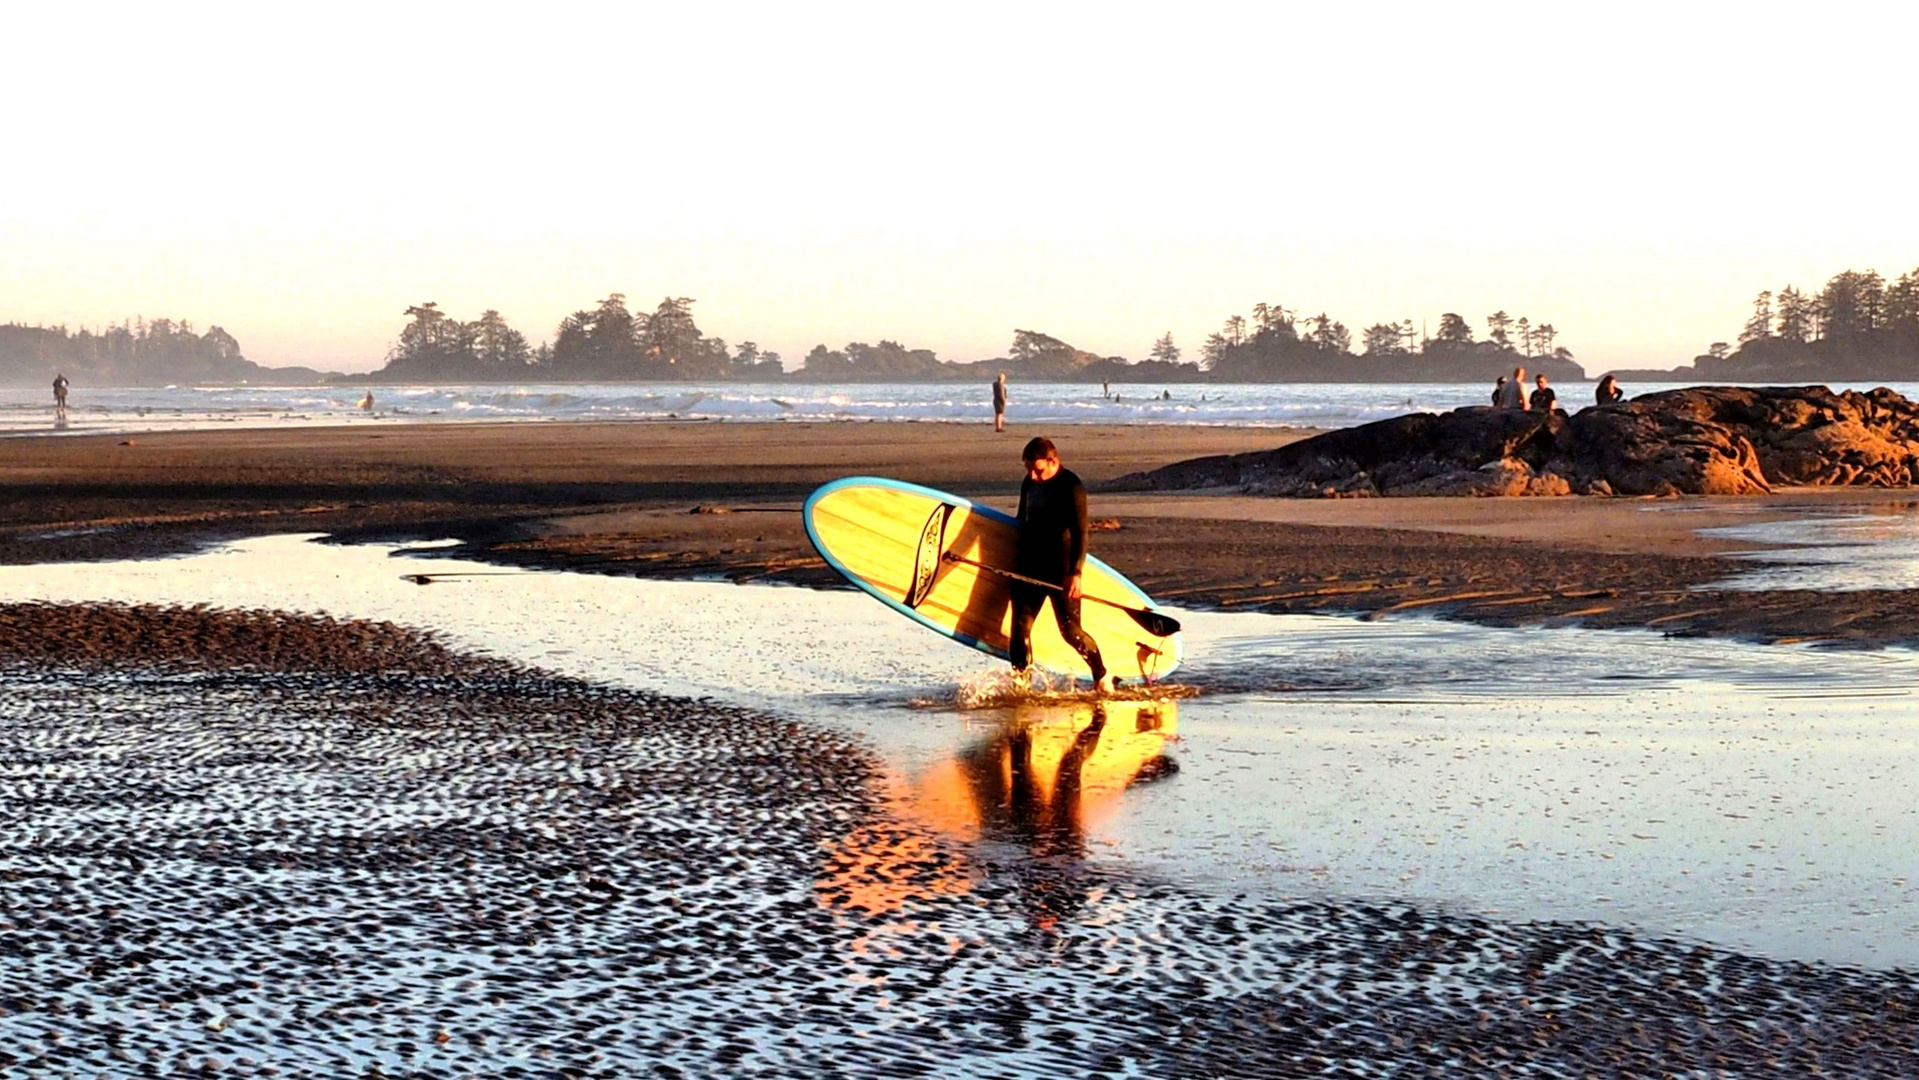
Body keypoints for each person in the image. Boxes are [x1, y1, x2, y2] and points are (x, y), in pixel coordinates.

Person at [1011, 437, 1112, 694]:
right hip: (1029, 564)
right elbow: (1021, 521)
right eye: (1029, 470)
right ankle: (1020, 688)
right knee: (1020, 626)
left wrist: (1076, 573)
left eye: (1038, 469)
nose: (1032, 476)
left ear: (1053, 461)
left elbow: (1081, 533)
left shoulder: (1071, 487)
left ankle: (1101, 676)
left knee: (1070, 631)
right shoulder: (1029, 484)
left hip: (1061, 567)